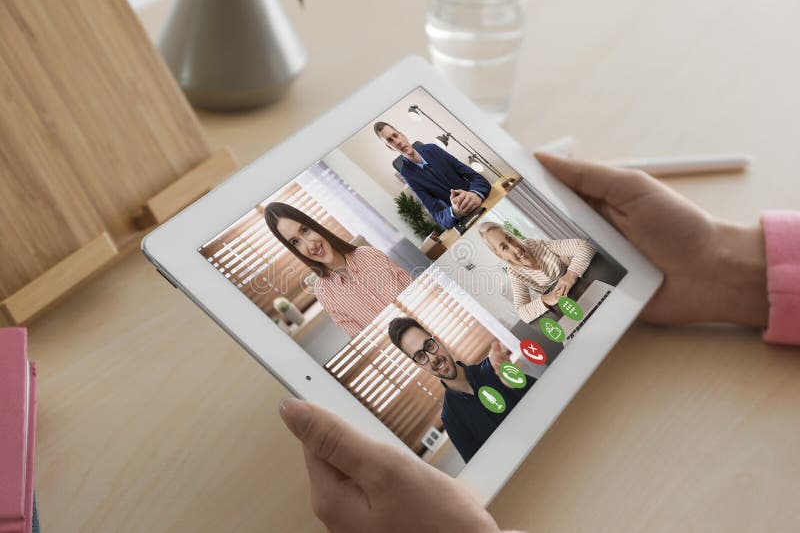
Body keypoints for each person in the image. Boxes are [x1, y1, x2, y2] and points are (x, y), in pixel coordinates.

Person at [278, 153, 800, 533]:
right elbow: (525, 310)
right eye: (294, 243)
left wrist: (714, 265)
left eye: (304, 229)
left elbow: (563, 274)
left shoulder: (384, 262)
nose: (432, 354)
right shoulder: (451, 410)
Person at [386, 316, 533, 463]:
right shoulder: (450, 418)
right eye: (420, 356)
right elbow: (480, 470)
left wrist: (514, 381)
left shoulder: (493, 368)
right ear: (418, 365)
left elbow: (544, 398)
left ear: (438, 341)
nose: (433, 359)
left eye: (429, 346)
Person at [264, 202, 412, 338]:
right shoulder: (324, 293)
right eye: (295, 242)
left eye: (305, 230)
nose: (310, 246)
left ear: (314, 226)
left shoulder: (369, 255)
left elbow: (417, 291)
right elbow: (364, 341)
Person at [374, 121, 492, 229]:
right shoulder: (407, 174)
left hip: (482, 202)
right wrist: (454, 212)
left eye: (395, 136)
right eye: (390, 141)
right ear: (389, 147)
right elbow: (438, 217)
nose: (397, 142)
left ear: (403, 135)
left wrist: (475, 194)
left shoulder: (433, 149)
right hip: (464, 219)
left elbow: (477, 178)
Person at [479, 221, 597, 322]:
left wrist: (570, 275)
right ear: (500, 255)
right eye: (504, 248)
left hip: (583, 281)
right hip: (566, 304)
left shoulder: (536, 245)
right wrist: (546, 299)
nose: (515, 248)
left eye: (510, 238)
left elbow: (585, 246)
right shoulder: (515, 273)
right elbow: (523, 314)